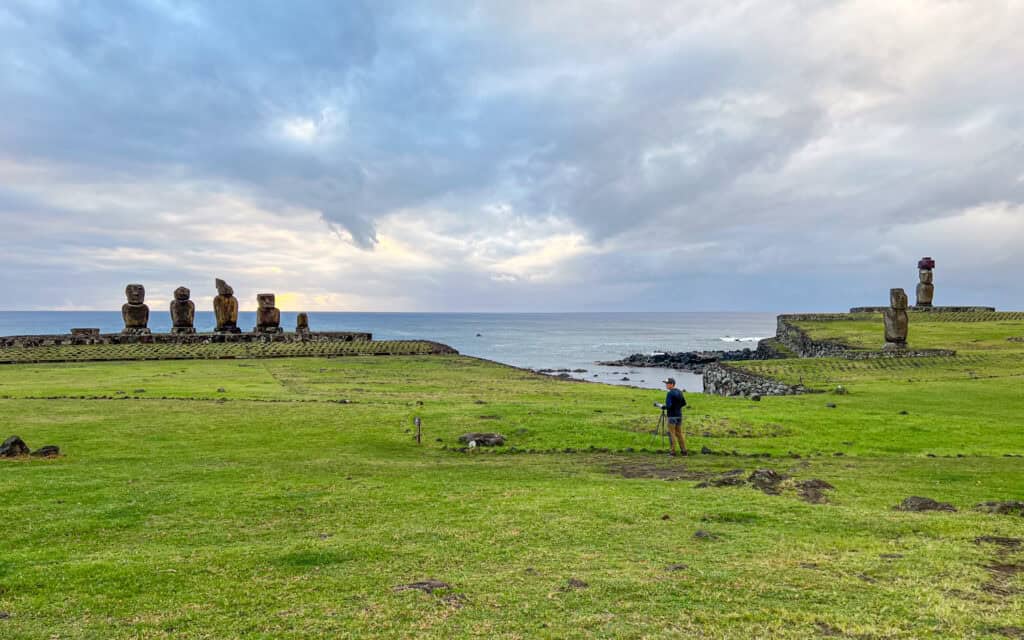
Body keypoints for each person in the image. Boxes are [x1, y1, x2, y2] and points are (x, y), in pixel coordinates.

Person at [654, 377, 687, 456]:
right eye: (666, 384)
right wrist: (677, 407)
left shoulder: (670, 393)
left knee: (671, 434)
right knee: (679, 434)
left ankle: (672, 452)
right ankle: (684, 451)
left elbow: (668, 406)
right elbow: (684, 403)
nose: (666, 385)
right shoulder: (679, 392)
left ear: (672, 384)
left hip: (672, 416)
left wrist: (660, 406)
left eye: (667, 384)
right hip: (679, 415)